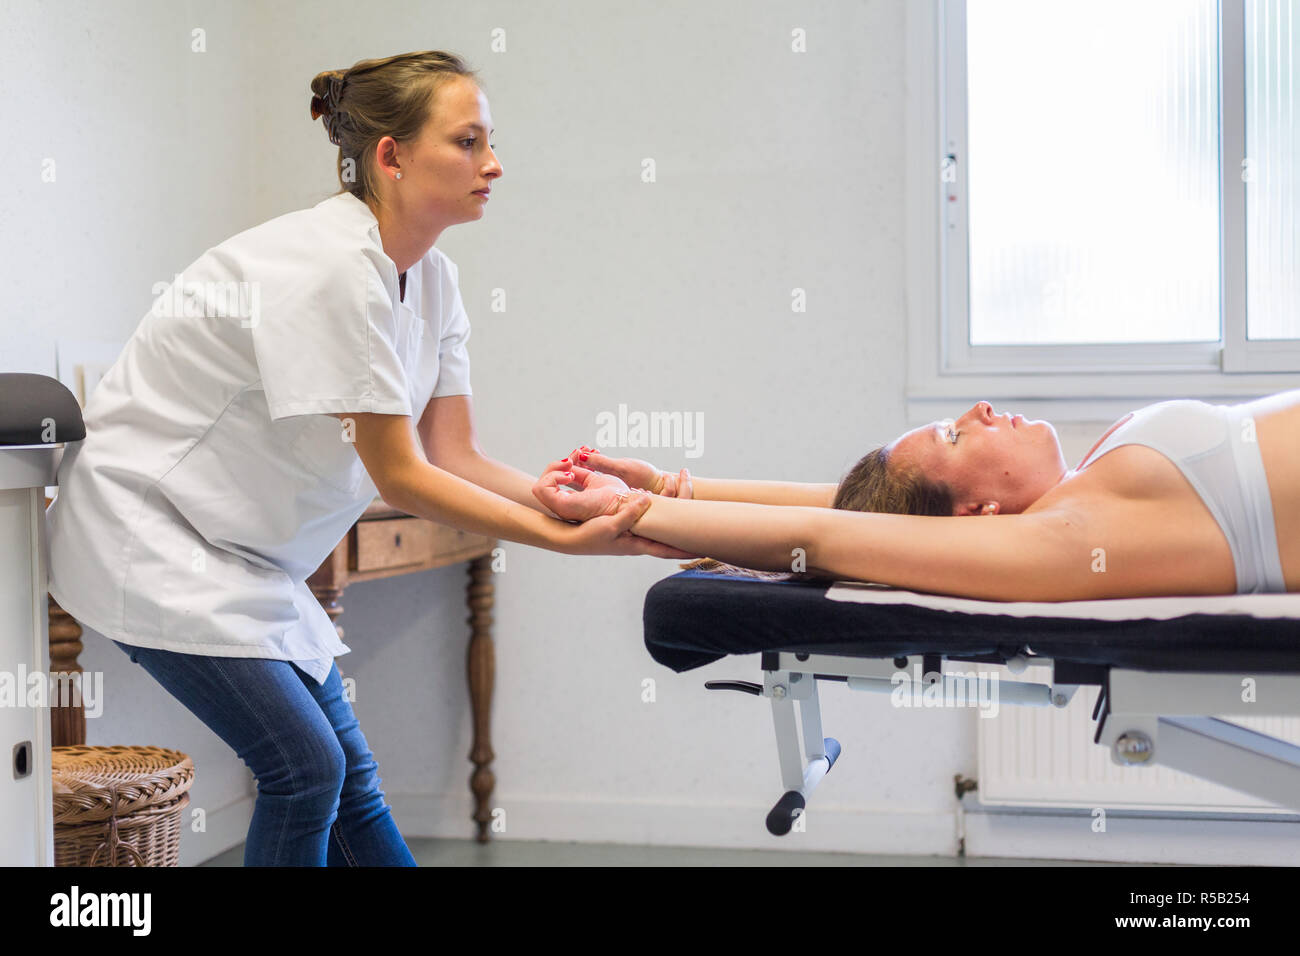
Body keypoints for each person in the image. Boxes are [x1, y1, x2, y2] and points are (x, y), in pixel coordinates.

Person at [44, 50, 687, 867]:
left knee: (349, 779)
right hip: (146, 540)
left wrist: (558, 499)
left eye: (490, 140)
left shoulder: (435, 279)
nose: (494, 163)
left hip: (241, 558)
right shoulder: (328, 267)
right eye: (467, 141)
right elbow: (403, 477)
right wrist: (562, 541)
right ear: (391, 154)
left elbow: (453, 455)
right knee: (305, 768)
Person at [535, 392, 1300, 601]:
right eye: (959, 438)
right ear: (977, 518)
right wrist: (632, 515)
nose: (980, 411)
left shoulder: (1083, 501)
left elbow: (840, 508)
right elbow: (835, 536)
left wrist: (670, 485)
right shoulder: (1072, 534)